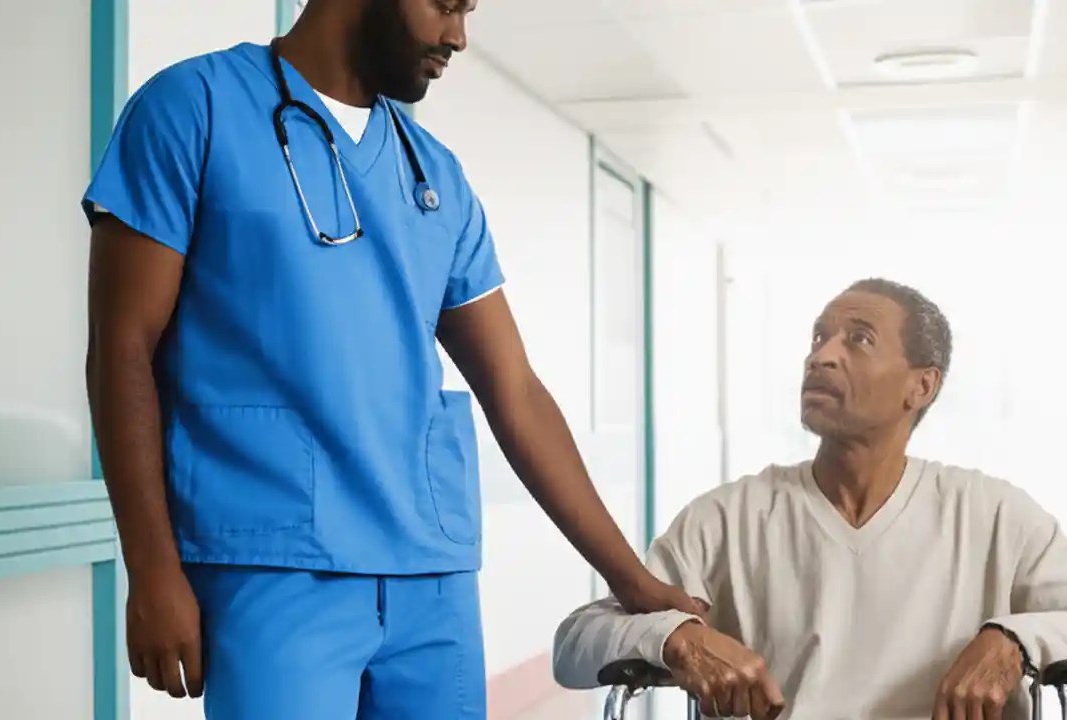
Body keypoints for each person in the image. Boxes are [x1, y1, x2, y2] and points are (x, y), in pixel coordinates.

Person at [82, 1, 702, 718]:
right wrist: (152, 568)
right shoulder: (193, 109)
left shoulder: (433, 172)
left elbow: (515, 390)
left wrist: (632, 580)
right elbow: (122, 350)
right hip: (277, 568)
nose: (458, 37)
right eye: (445, 5)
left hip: (430, 581)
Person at [551, 278, 1067, 720]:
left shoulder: (991, 515)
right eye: (819, 337)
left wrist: (1014, 640)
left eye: (858, 340)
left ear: (921, 387)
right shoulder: (729, 518)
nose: (821, 355)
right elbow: (576, 645)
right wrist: (677, 638)